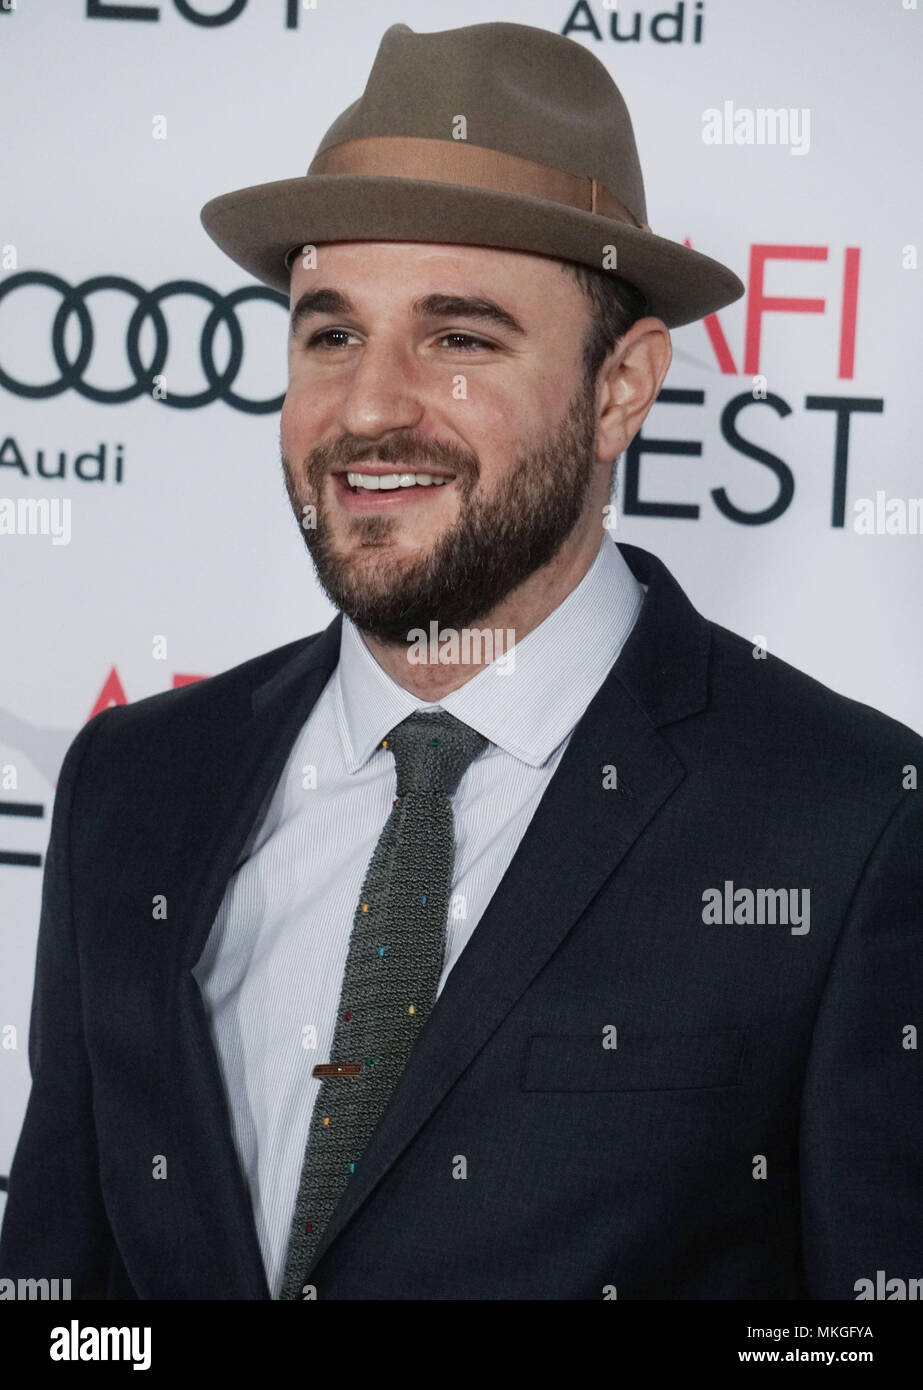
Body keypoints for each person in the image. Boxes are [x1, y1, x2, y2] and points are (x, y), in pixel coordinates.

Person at [1, 19, 920, 1302]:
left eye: (460, 338)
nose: (370, 407)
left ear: (620, 389)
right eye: (330, 334)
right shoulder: (135, 783)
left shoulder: (851, 821)